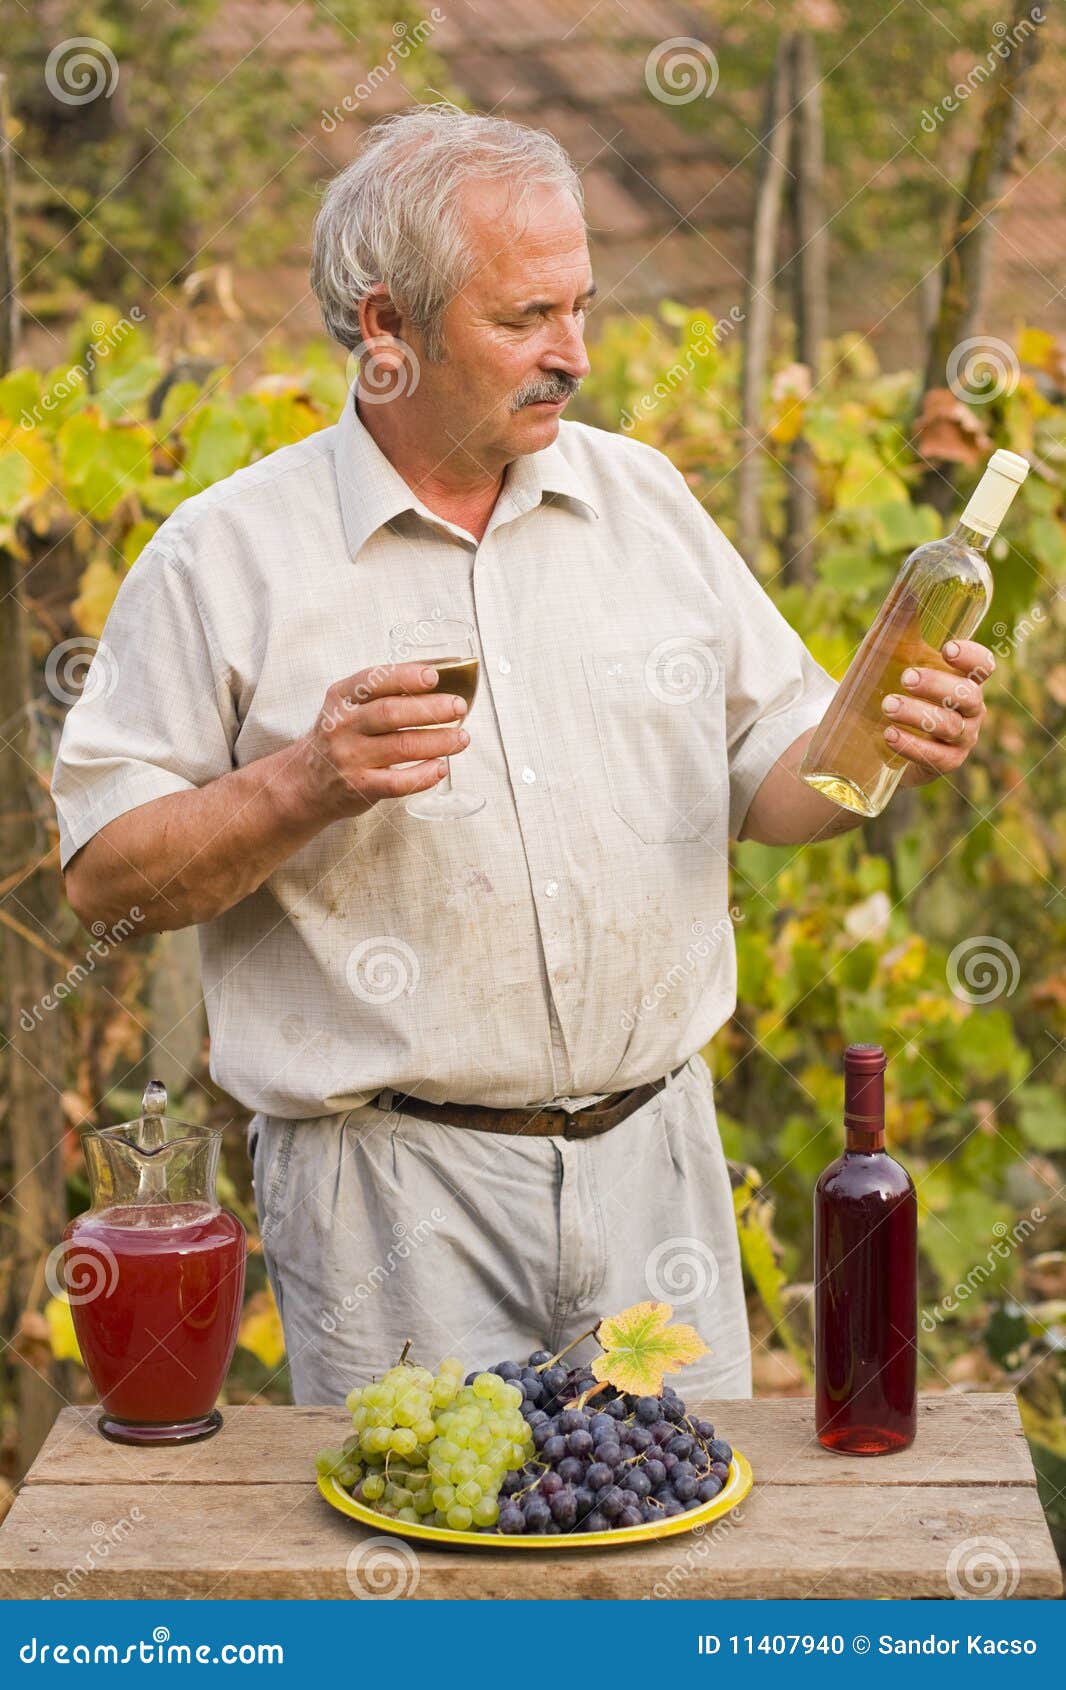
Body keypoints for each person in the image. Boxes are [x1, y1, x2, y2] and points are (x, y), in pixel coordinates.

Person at [51, 105, 996, 1404]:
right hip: (393, 1202)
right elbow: (106, 877)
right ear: (384, 328)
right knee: (435, 1584)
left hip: (655, 1172)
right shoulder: (228, 558)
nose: (574, 355)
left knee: (674, 1567)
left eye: (582, 309)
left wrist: (879, 741)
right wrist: (302, 782)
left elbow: (778, 772)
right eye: (523, 320)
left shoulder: (643, 506)